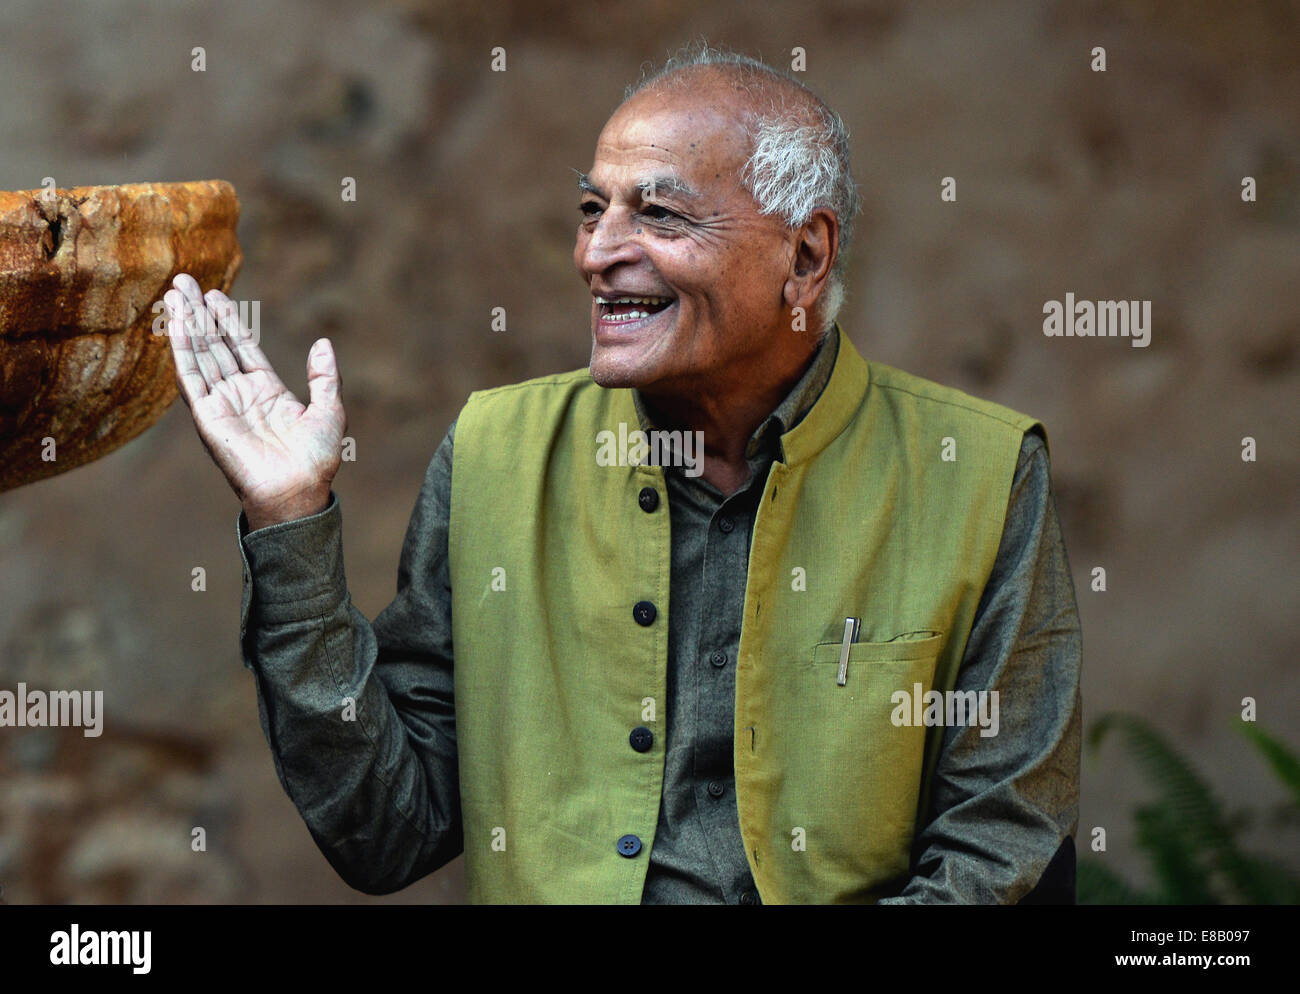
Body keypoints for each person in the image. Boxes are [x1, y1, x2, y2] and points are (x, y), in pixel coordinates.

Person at [164, 45, 1081, 904]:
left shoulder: (982, 472)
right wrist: (290, 516)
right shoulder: (495, 450)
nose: (598, 252)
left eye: (660, 213)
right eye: (592, 208)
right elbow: (387, 831)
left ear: (805, 256)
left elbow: (1002, 844)